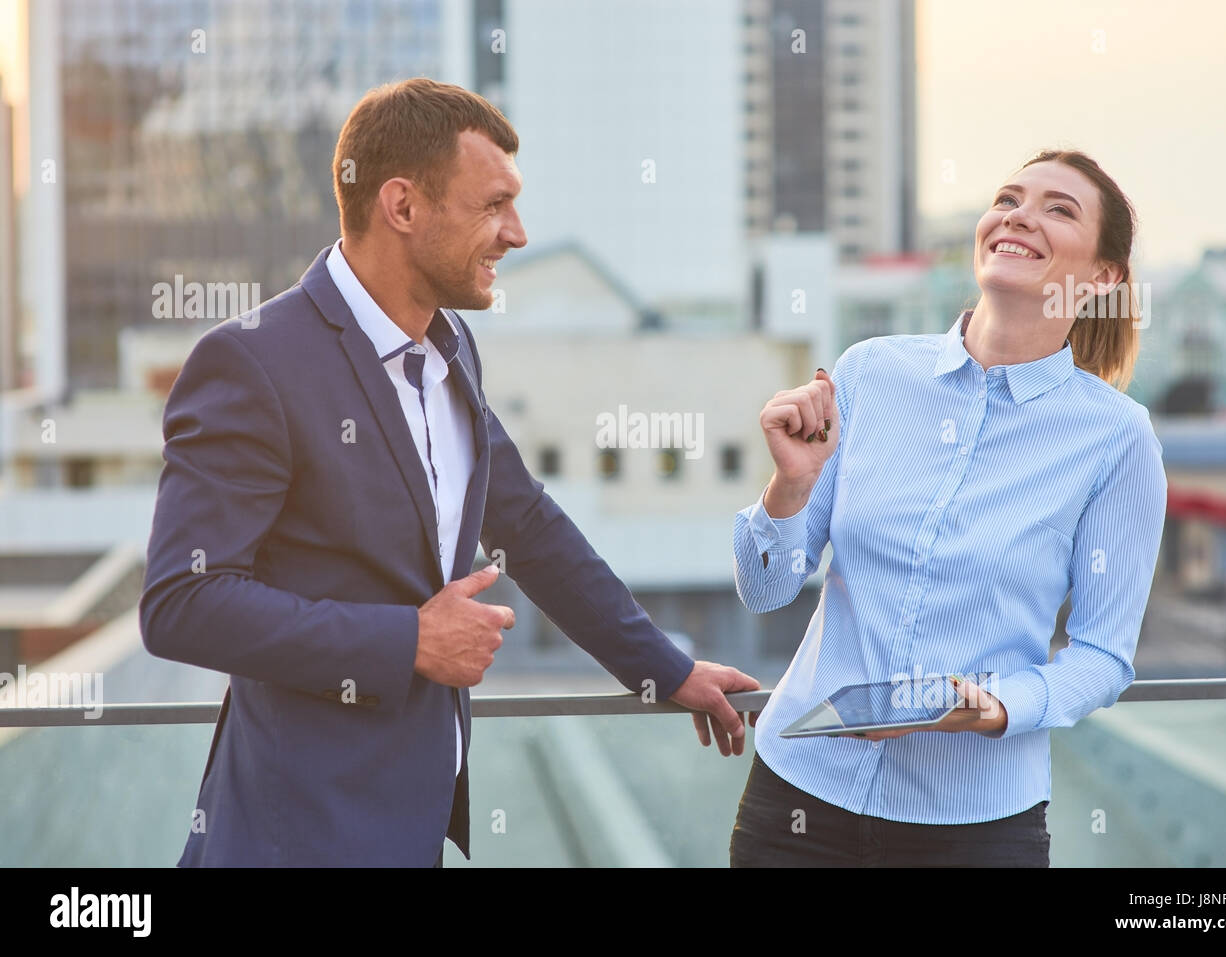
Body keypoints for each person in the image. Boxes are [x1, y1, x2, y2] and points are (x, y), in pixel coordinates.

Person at [139, 78, 758, 867]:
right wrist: (408, 640)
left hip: (415, 828)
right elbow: (182, 602)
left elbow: (526, 524)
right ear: (401, 206)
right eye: (492, 205)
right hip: (291, 837)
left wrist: (665, 669)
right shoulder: (253, 362)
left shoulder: (452, 345)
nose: (519, 233)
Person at [729, 149, 1168, 867]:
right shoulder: (869, 371)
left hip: (974, 830)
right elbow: (763, 587)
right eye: (1008, 198)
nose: (1019, 214)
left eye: (1059, 209)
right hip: (796, 801)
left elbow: (1104, 656)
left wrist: (1001, 706)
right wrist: (789, 487)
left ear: (1103, 277)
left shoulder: (1117, 440)